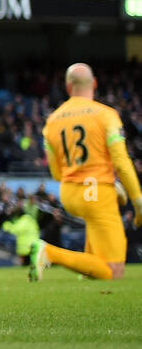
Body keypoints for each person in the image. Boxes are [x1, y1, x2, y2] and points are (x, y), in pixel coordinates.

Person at [30, 62, 142, 281]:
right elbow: (121, 161)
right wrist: (137, 200)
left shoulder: (52, 121)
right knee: (113, 271)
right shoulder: (106, 115)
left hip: (70, 193)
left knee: (95, 232)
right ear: (95, 84)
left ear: (68, 87)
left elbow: (55, 172)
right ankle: (50, 252)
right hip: (97, 192)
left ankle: (86, 273)